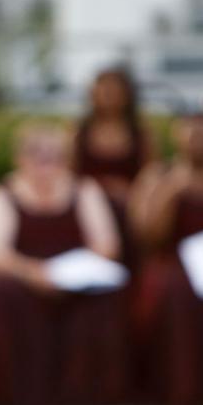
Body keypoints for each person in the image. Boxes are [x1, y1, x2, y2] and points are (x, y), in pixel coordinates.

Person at [0, 123, 129, 405]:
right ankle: (9, 394)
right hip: (20, 280)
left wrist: (68, 275)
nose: (45, 163)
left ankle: (88, 395)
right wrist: (35, 274)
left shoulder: (84, 190)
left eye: (53, 155)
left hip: (74, 282)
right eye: (36, 154)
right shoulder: (3, 193)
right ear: (19, 158)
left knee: (101, 301)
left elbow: (107, 246)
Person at [128, 111, 203, 405]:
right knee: (177, 294)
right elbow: (147, 235)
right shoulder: (160, 176)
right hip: (175, 263)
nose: (197, 140)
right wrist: (173, 190)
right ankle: (181, 392)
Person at [72, 66, 155, 264]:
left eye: (114, 90)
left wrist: (133, 194)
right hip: (88, 207)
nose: (109, 96)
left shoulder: (140, 134)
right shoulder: (79, 132)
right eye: (103, 89)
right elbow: (69, 175)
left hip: (130, 208)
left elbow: (151, 175)